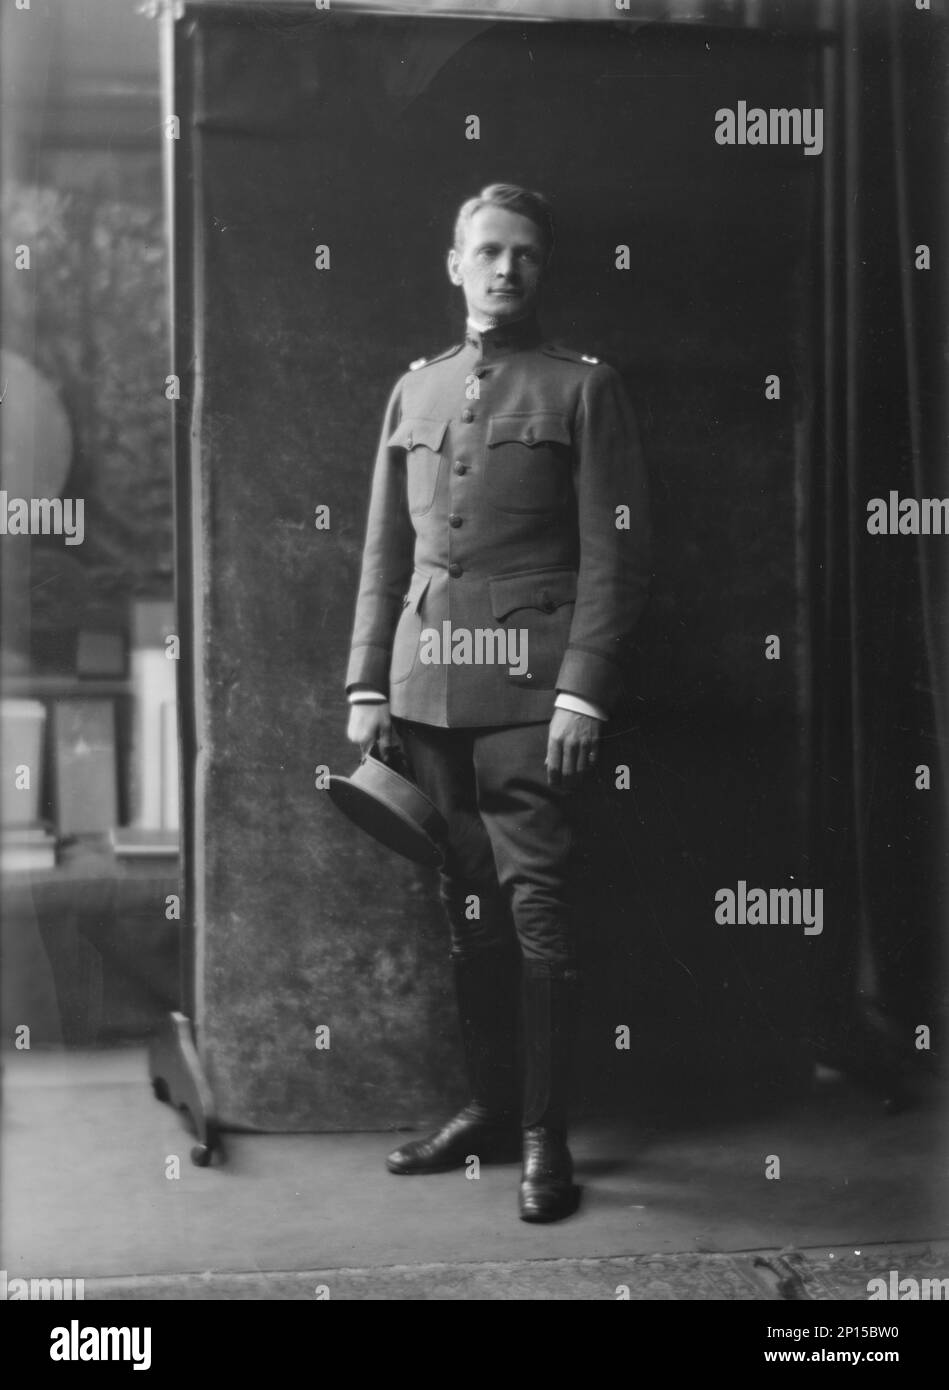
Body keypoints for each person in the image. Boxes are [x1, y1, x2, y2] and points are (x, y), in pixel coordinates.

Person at [345, 183, 650, 1222]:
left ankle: (543, 1136)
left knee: (539, 920)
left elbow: (617, 553)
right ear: (454, 262)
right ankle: (486, 1107)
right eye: (487, 250)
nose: (504, 268)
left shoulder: (580, 389)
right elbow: (386, 551)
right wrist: (368, 681)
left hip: (532, 697)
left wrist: (582, 692)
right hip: (425, 694)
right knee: (466, 917)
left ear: (541, 268)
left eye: (523, 253)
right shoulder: (414, 392)